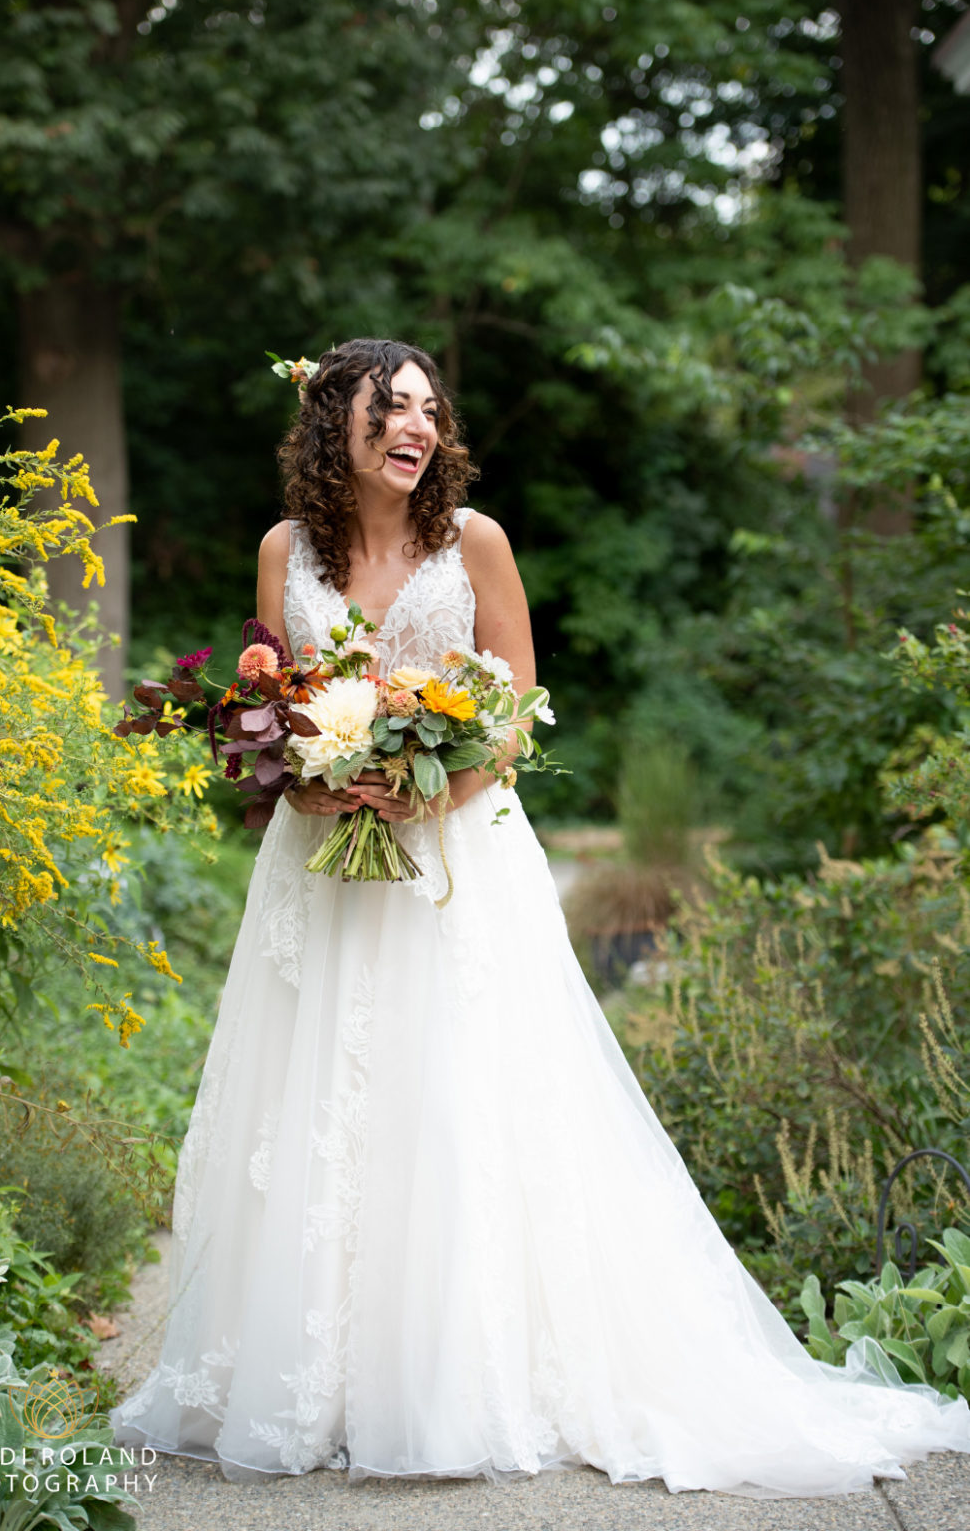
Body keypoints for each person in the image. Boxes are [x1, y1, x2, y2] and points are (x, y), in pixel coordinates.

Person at [111, 337, 970, 1496]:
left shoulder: (473, 544)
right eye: (387, 410)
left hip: (452, 862)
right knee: (314, 1105)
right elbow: (270, 701)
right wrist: (313, 778)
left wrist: (427, 785)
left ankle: (453, 1373)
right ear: (333, 428)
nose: (414, 428)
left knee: (454, 1102)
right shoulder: (284, 551)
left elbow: (508, 703)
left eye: (426, 410)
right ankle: (307, 1376)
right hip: (318, 866)